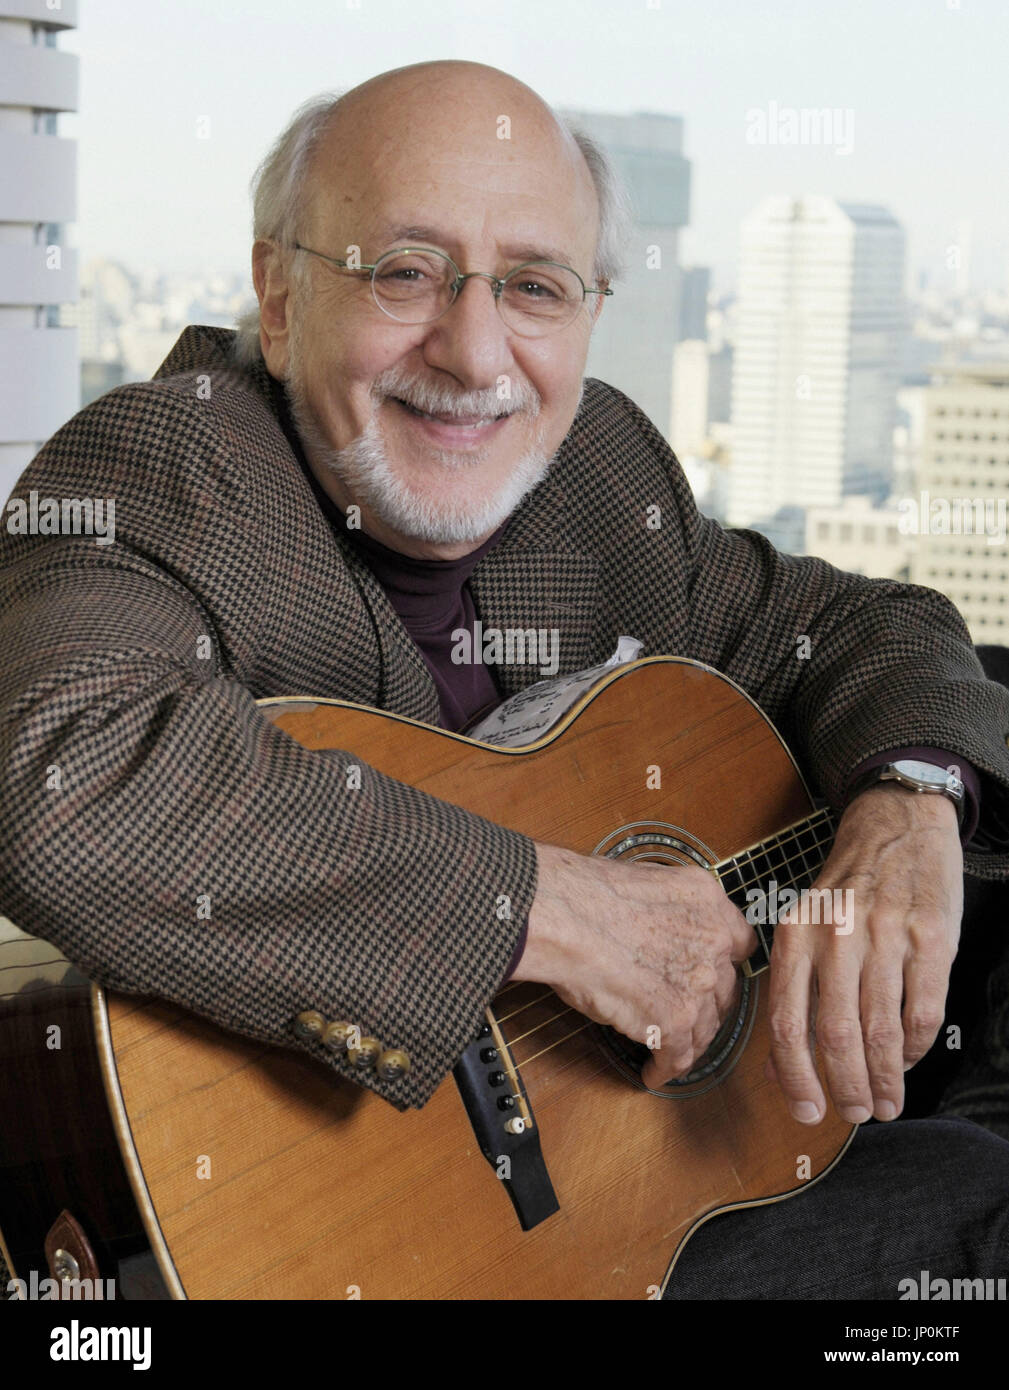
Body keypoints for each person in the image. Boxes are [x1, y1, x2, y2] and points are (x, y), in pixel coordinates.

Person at [2, 60, 1008, 1300]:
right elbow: (58, 771)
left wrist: (909, 804)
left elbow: (860, 625)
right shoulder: (173, 462)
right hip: (306, 1243)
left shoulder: (596, 476)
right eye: (404, 271)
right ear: (277, 292)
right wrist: (561, 916)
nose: (474, 350)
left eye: (533, 286)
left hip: (597, 1219)